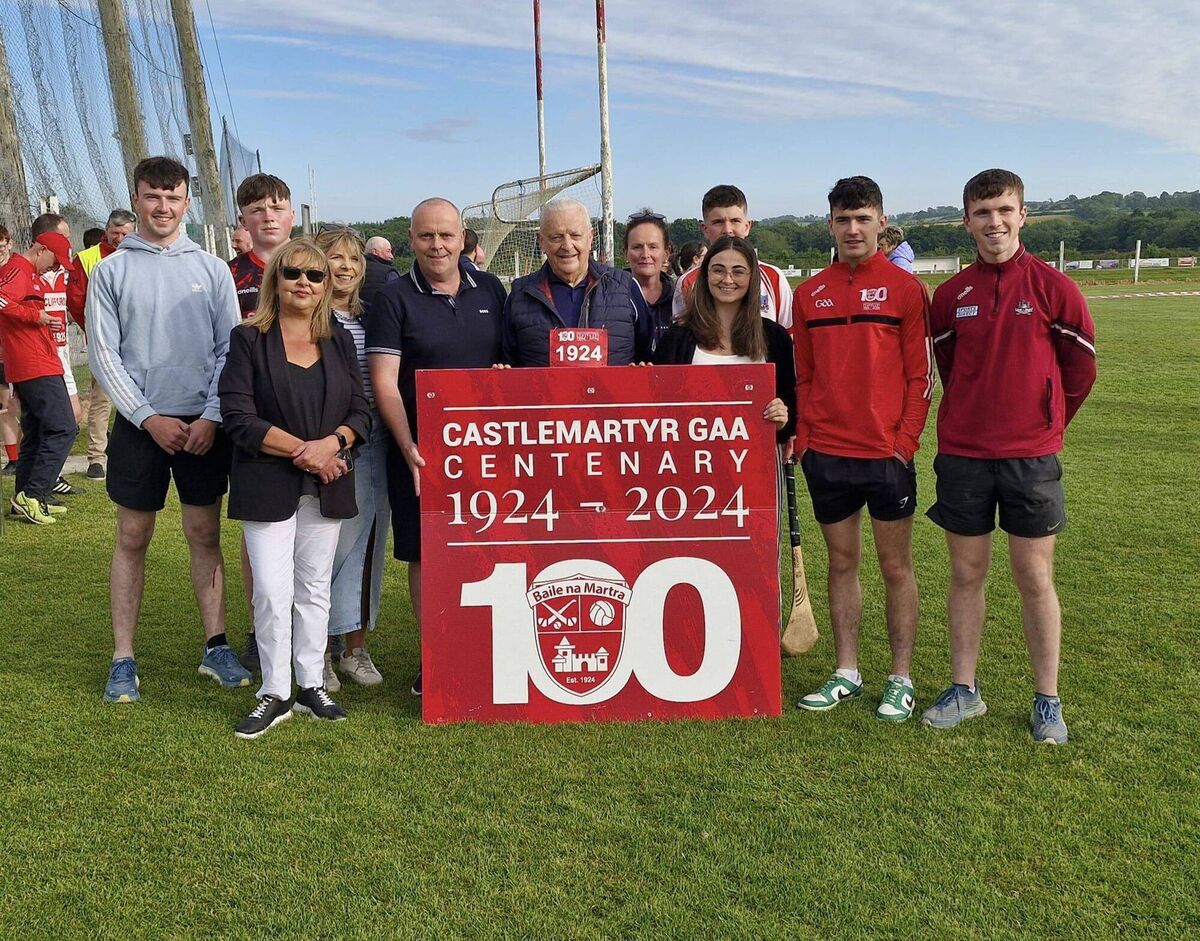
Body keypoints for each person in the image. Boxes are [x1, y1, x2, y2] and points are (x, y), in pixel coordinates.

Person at [921, 169, 1097, 745]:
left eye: (1005, 210)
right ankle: (964, 689)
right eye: (982, 212)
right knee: (966, 573)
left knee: (1034, 575)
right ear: (966, 219)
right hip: (965, 455)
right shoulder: (950, 296)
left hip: (1031, 459)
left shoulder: (1054, 288)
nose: (994, 222)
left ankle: (1047, 700)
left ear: (1023, 215)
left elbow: (1080, 370)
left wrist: (1044, 423)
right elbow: (949, 370)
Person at [87, 155, 249, 703]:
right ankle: (123, 658)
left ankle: (217, 646)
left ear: (187, 201)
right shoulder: (111, 271)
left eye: (173, 196)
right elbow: (104, 355)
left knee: (204, 534)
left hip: (202, 426)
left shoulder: (211, 269)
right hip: (141, 426)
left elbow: (231, 349)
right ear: (136, 199)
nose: (163, 207)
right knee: (133, 536)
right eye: (152, 196)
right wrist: (147, 417)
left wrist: (209, 415)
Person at [792, 176, 933, 722]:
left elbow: (921, 376)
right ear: (830, 224)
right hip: (827, 453)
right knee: (842, 563)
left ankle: (900, 677)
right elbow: (803, 375)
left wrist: (904, 443)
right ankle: (846, 671)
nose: (853, 229)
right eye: (842, 220)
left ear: (881, 222)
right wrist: (805, 437)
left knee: (896, 567)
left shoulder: (904, 289)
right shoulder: (811, 293)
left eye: (863, 218)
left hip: (886, 456)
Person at [220, 239, 369, 739]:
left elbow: (359, 414)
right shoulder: (248, 339)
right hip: (268, 481)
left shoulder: (340, 340)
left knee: (313, 589)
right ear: (275, 280)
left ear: (328, 285)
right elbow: (239, 417)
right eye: (293, 274)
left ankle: (309, 683)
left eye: (315, 275)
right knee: (270, 590)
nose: (304, 283)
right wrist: (309, 452)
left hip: (327, 483)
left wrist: (333, 445)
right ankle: (275, 691)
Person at [366, 197, 507, 696]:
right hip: (420, 448)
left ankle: (491, 648)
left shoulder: (490, 288)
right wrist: (408, 447)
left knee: (490, 547)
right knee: (426, 554)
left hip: (486, 450)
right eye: (426, 236)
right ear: (411, 239)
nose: (437, 245)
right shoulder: (394, 297)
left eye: (446, 235)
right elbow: (384, 383)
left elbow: (506, 370)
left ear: (463, 235)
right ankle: (439, 654)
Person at [314, 227, 391, 690]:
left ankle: (355, 648)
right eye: (334, 257)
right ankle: (318, 649)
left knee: (369, 547)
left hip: (375, 440)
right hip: (334, 444)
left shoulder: (370, 317)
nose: (345, 266)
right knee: (330, 549)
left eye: (353, 259)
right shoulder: (309, 319)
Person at [228, 173, 295, 673]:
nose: (268, 216)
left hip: (314, 424)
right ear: (243, 220)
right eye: (257, 209)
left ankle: (320, 633)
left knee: (320, 539)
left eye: (276, 207)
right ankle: (259, 630)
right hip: (255, 426)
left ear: (292, 213)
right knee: (260, 539)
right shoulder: (228, 276)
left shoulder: (316, 267)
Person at [653, 235, 794, 442]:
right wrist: (643, 378)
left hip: (755, 466)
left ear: (751, 277)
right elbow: (657, 413)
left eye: (738, 271)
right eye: (718, 270)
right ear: (706, 275)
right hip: (693, 464)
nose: (727, 279)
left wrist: (782, 419)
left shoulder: (776, 338)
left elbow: (789, 416)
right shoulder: (678, 337)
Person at [501, 198, 651, 366]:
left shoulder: (626, 287)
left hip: (613, 393)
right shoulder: (519, 295)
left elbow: (646, 353)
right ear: (541, 241)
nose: (567, 245)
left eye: (575, 235)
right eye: (556, 237)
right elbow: (509, 363)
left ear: (590, 237)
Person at [0, 226, 77, 524]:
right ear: (41, 250)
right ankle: (33, 495)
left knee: (37, 431)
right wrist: (37, 316)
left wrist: (44, 323)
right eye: (55, 260)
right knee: (63, 428)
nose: (56, 267)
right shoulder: (19, 268)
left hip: (33, 361)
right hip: (35, 364)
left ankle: (29, 496)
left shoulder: (25, 271)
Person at [68, 208, 137, 480]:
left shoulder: (141, 255)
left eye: (124, 233)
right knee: (101, 399)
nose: (119, 238)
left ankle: (140, 453)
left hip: (137, 339)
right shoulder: (87, 258)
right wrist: (94, 331)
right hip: (103, 341)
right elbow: (75, 300)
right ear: (106, 230)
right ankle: (97, 457)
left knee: (141, 396)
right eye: (115, 232)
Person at [671, 185, 792, 331]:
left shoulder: (774, 278)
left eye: (735, 221)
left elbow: (789, 336)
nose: (727, 230)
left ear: (747, 226)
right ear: (704, 229)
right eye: (718, 222)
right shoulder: (687, 282)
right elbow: (682, 338)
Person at [34, 213, 85, 503]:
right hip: (42, 355)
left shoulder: (63, 273)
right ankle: (43, 481)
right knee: (59, 420)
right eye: (63, 237)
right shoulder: (30, 271)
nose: (68, 243)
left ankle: (50, 476)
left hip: (62, 351)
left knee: (70, 417)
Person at [625, 209, 675, 350]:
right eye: (637, 247)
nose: (645, 254)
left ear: (666, 253)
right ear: (625, 253)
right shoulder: (611, 299)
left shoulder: (682, 298)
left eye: (653, 247)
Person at [361, 235, 400, 311]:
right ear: (375, 251)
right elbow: (399, 300)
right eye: (388, 251)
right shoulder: (389, 273)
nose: (391, 256)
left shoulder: (355, 269)